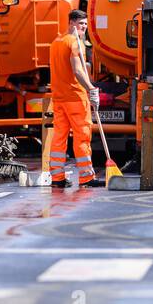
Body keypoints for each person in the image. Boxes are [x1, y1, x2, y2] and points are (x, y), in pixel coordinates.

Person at [47, 10, 102, 188]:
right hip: (76, 98)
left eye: (85, 24)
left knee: (59, 137)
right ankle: (86, 177)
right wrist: (92, 89)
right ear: (71, 23)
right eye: (81, 24)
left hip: (59, 98)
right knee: (82, 137)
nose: (84, 27)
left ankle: (57, 177)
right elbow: (78, 70)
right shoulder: (75, 43)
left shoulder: (56, 42)